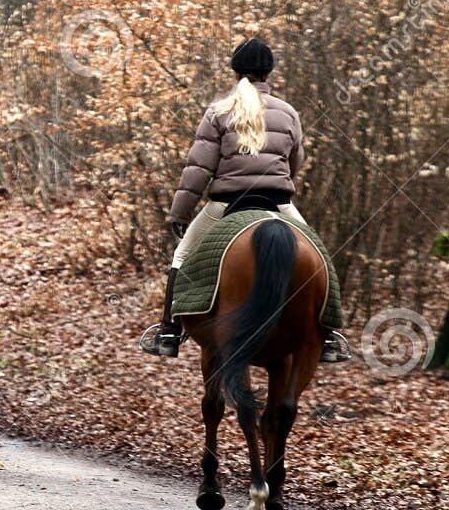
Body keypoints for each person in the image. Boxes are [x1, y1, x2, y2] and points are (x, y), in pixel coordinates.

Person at [141, 38, 352, 361]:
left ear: (235, 72)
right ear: (268, 73)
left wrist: (178, 215)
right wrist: (279, 185)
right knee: (319, 256)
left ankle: (169, 332)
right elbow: (295, 163)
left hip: (226, 203)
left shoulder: (219, 111)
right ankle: (328, 336)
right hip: (277, 202)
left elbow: (198, 170)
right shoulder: (288, 112)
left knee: (182, 256)